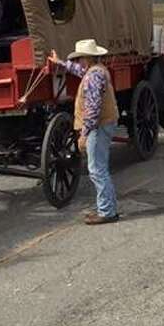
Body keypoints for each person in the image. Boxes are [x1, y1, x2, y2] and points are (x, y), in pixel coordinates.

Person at [47, 39, 119, 225]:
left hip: (98, 126)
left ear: (87, 58)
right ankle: (107, 207)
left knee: (97, 169)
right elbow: (78, 71)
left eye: (79, 58)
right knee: (99, 168)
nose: (78, 62)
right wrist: (61, 62)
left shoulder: (94, 76)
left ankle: (107, 212)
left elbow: (93, 108)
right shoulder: (95, 71)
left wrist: (84, 134)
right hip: (104, 123)